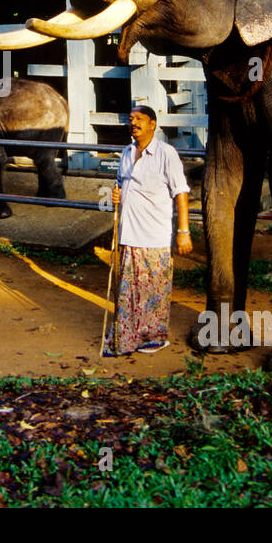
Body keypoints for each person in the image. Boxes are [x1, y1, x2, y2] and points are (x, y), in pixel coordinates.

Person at [106, 105, 193, 356]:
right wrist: (116, 195)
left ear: (153, 124)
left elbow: (181, 192)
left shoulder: (167, 153)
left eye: (140, 119)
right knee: (129, 288)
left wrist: (184, 231)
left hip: (154, 234)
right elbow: (121, 183)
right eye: (131, 119)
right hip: (128, 232)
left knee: (154, 288)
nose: (134, 123)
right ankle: (128, 334)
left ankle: (154, 336)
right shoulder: (126, 152)